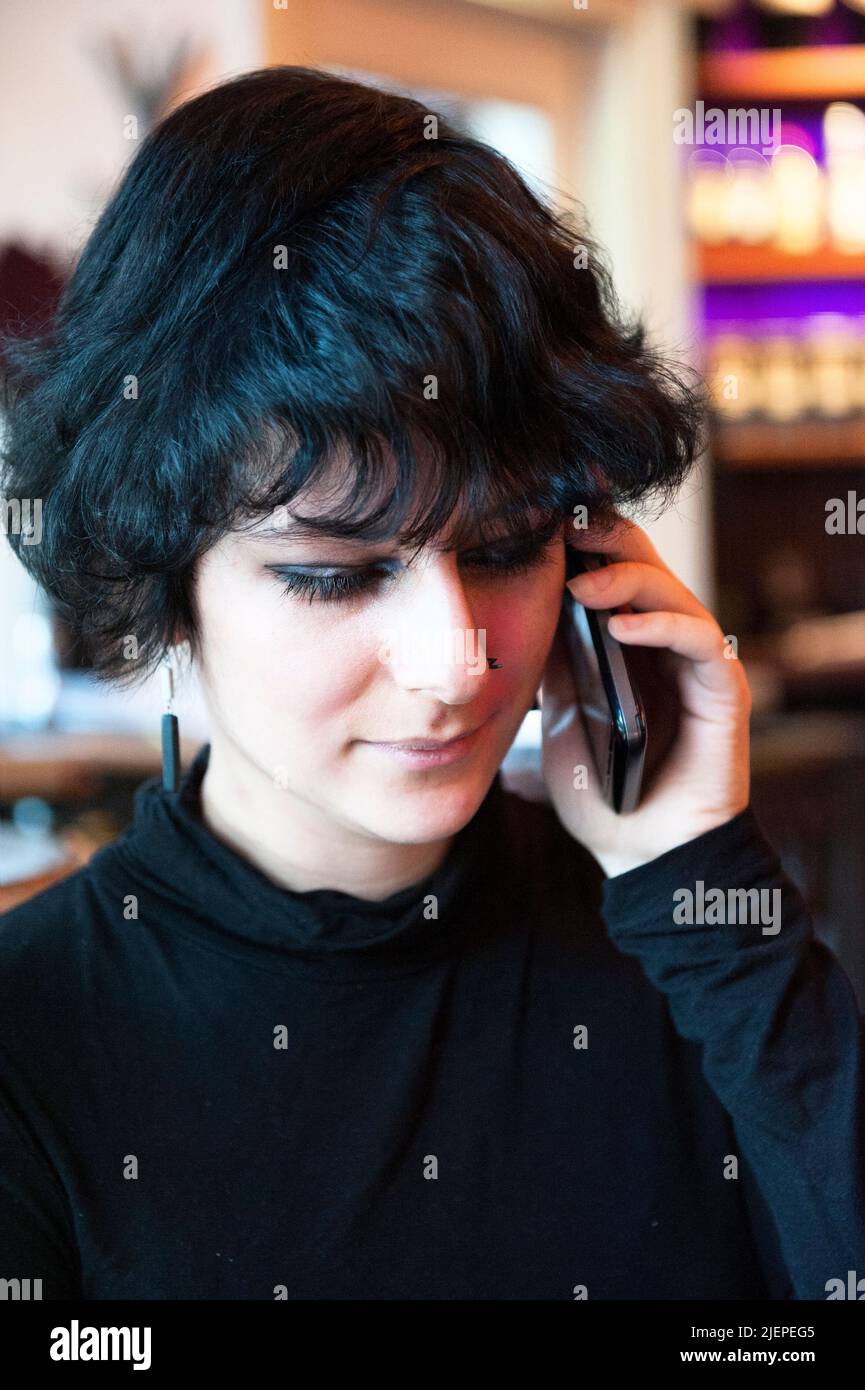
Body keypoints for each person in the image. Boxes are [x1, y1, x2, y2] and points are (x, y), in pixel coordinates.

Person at [0, 66, 862, 1302]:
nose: (456, 657)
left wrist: (699, 879)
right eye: (333, 576)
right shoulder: (33, 1048)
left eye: (507, 548)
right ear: (165, 570)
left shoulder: (679, 952)